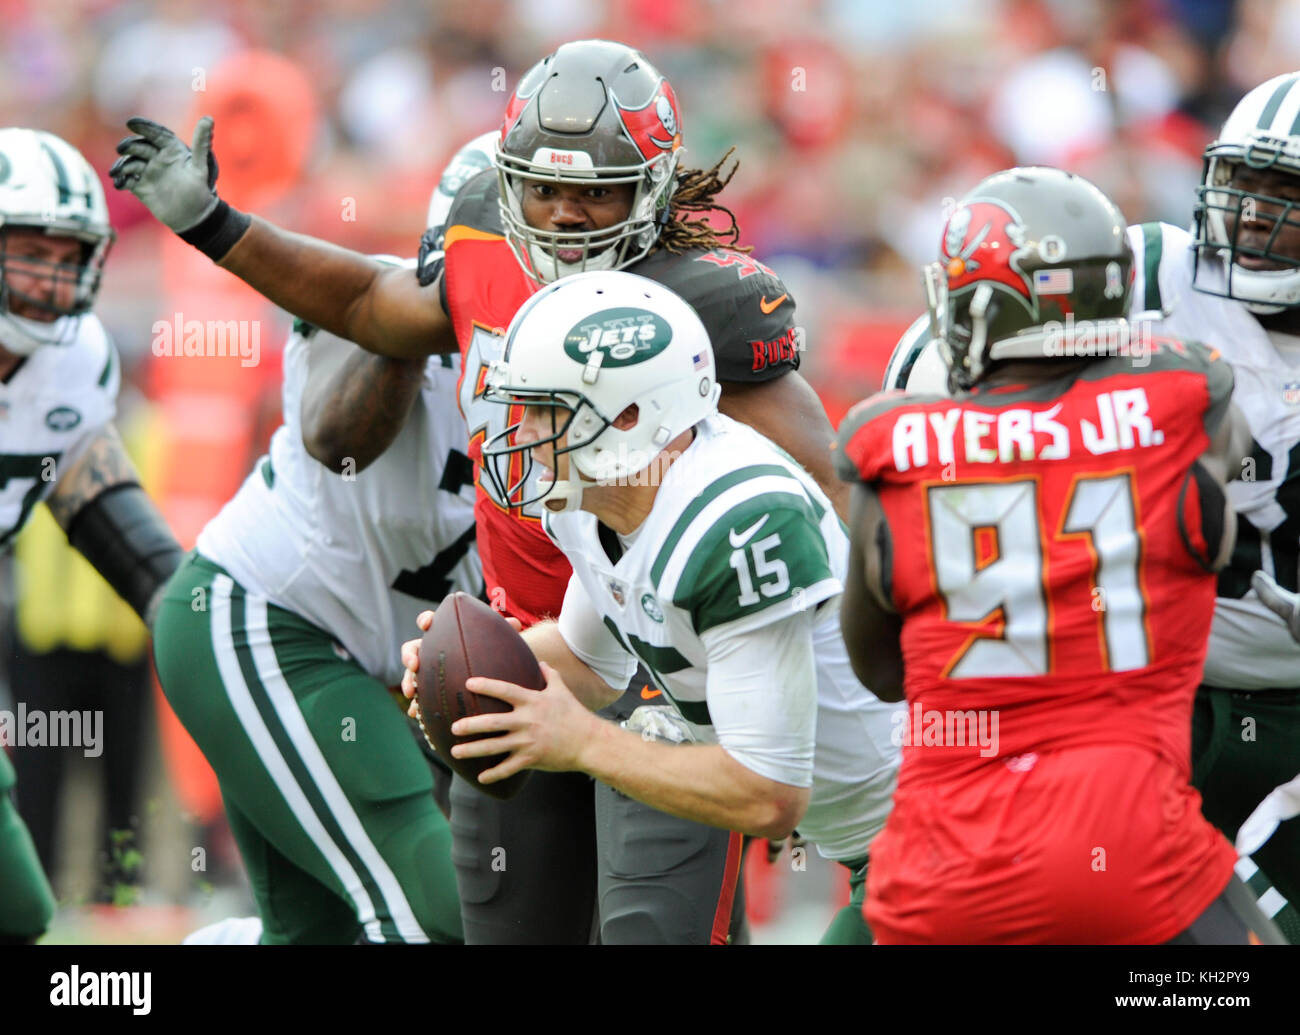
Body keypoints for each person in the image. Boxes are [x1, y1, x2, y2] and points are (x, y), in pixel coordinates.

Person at [112, 39, 845, 944]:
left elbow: (830, 486)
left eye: (596, 191)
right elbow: (374, 304)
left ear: (651, 188)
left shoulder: (702, 307)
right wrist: (220, 227)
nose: (567, 215)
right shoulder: (478, 240)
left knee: (649, 930)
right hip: (529, 651)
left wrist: (794, 678)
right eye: (543, 187)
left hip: (661, 674)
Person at [883, 76, 1300, 942]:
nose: (1255, 214)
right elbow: (942, 359)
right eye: (1247, 185)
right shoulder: (1147, 270)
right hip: (1127, 688)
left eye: (1288, 195)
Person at [401, 269, 900, 943]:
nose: (522, 432)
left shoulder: (736, 521)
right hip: (882, 848)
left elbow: (769, 794)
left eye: (548, 409)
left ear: (631, 418)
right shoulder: (597, 499)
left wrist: (579, 741)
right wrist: (473, 671)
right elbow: (587, 661)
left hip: (942, 844)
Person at [151, 256, 479, 944]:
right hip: (270, 621)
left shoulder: (576, 360)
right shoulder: (380, 303)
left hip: (386, 667)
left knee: (313, 934)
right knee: (433, 910)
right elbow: (337, 436)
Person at [0, 127, 182, 942]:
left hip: (88, 649)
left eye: (67, 254)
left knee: (21, 908)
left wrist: (222, 628)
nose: (50, 277)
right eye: (27, 252)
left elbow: (139, 556)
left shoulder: (73, 365)